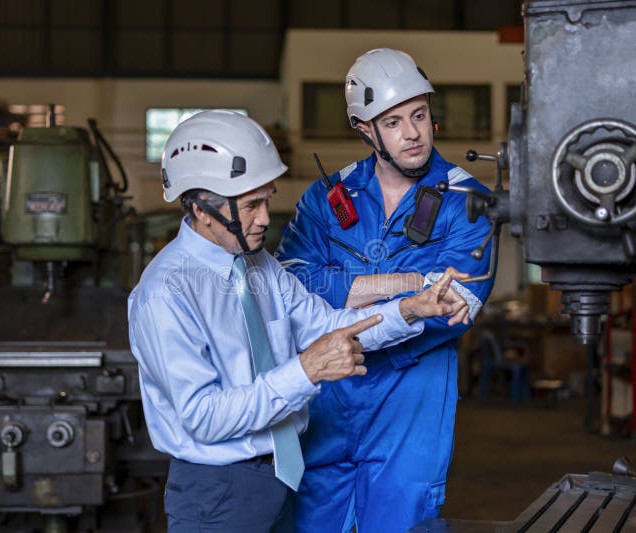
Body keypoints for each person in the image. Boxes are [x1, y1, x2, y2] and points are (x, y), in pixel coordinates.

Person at [127, 110, 472, 532]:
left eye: (267, 199)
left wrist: (409, 310)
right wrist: (306, 370)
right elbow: (202, 416)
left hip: (282, 476)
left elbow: (327, 324)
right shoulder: (165, 295)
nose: (264, 218)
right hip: (217, 494)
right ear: (201, 209)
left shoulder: (258, 265)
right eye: (252, 205)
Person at [275, 48, 496, 532]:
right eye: (393, 122)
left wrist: (343, 295)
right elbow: (290, 286)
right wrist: (409, 286)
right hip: (327, 402)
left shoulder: (470, 202)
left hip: (409, 409)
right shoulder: (326, 199)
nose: (413, 132)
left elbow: (451, 307)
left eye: (419, 114)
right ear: (365, 130)